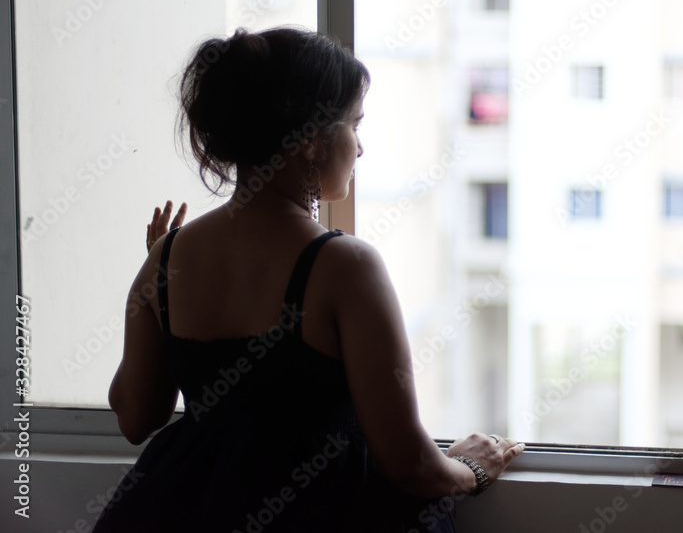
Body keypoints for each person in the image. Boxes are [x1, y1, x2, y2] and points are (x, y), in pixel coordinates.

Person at [95, 27, 524, 532]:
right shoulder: (346, 267)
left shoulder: (166, 260)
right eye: (354, 125)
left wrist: (154, 279)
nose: (360, 148)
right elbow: (410, 465)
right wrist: (473, 467)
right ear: (312, 141)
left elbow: (135, 418)